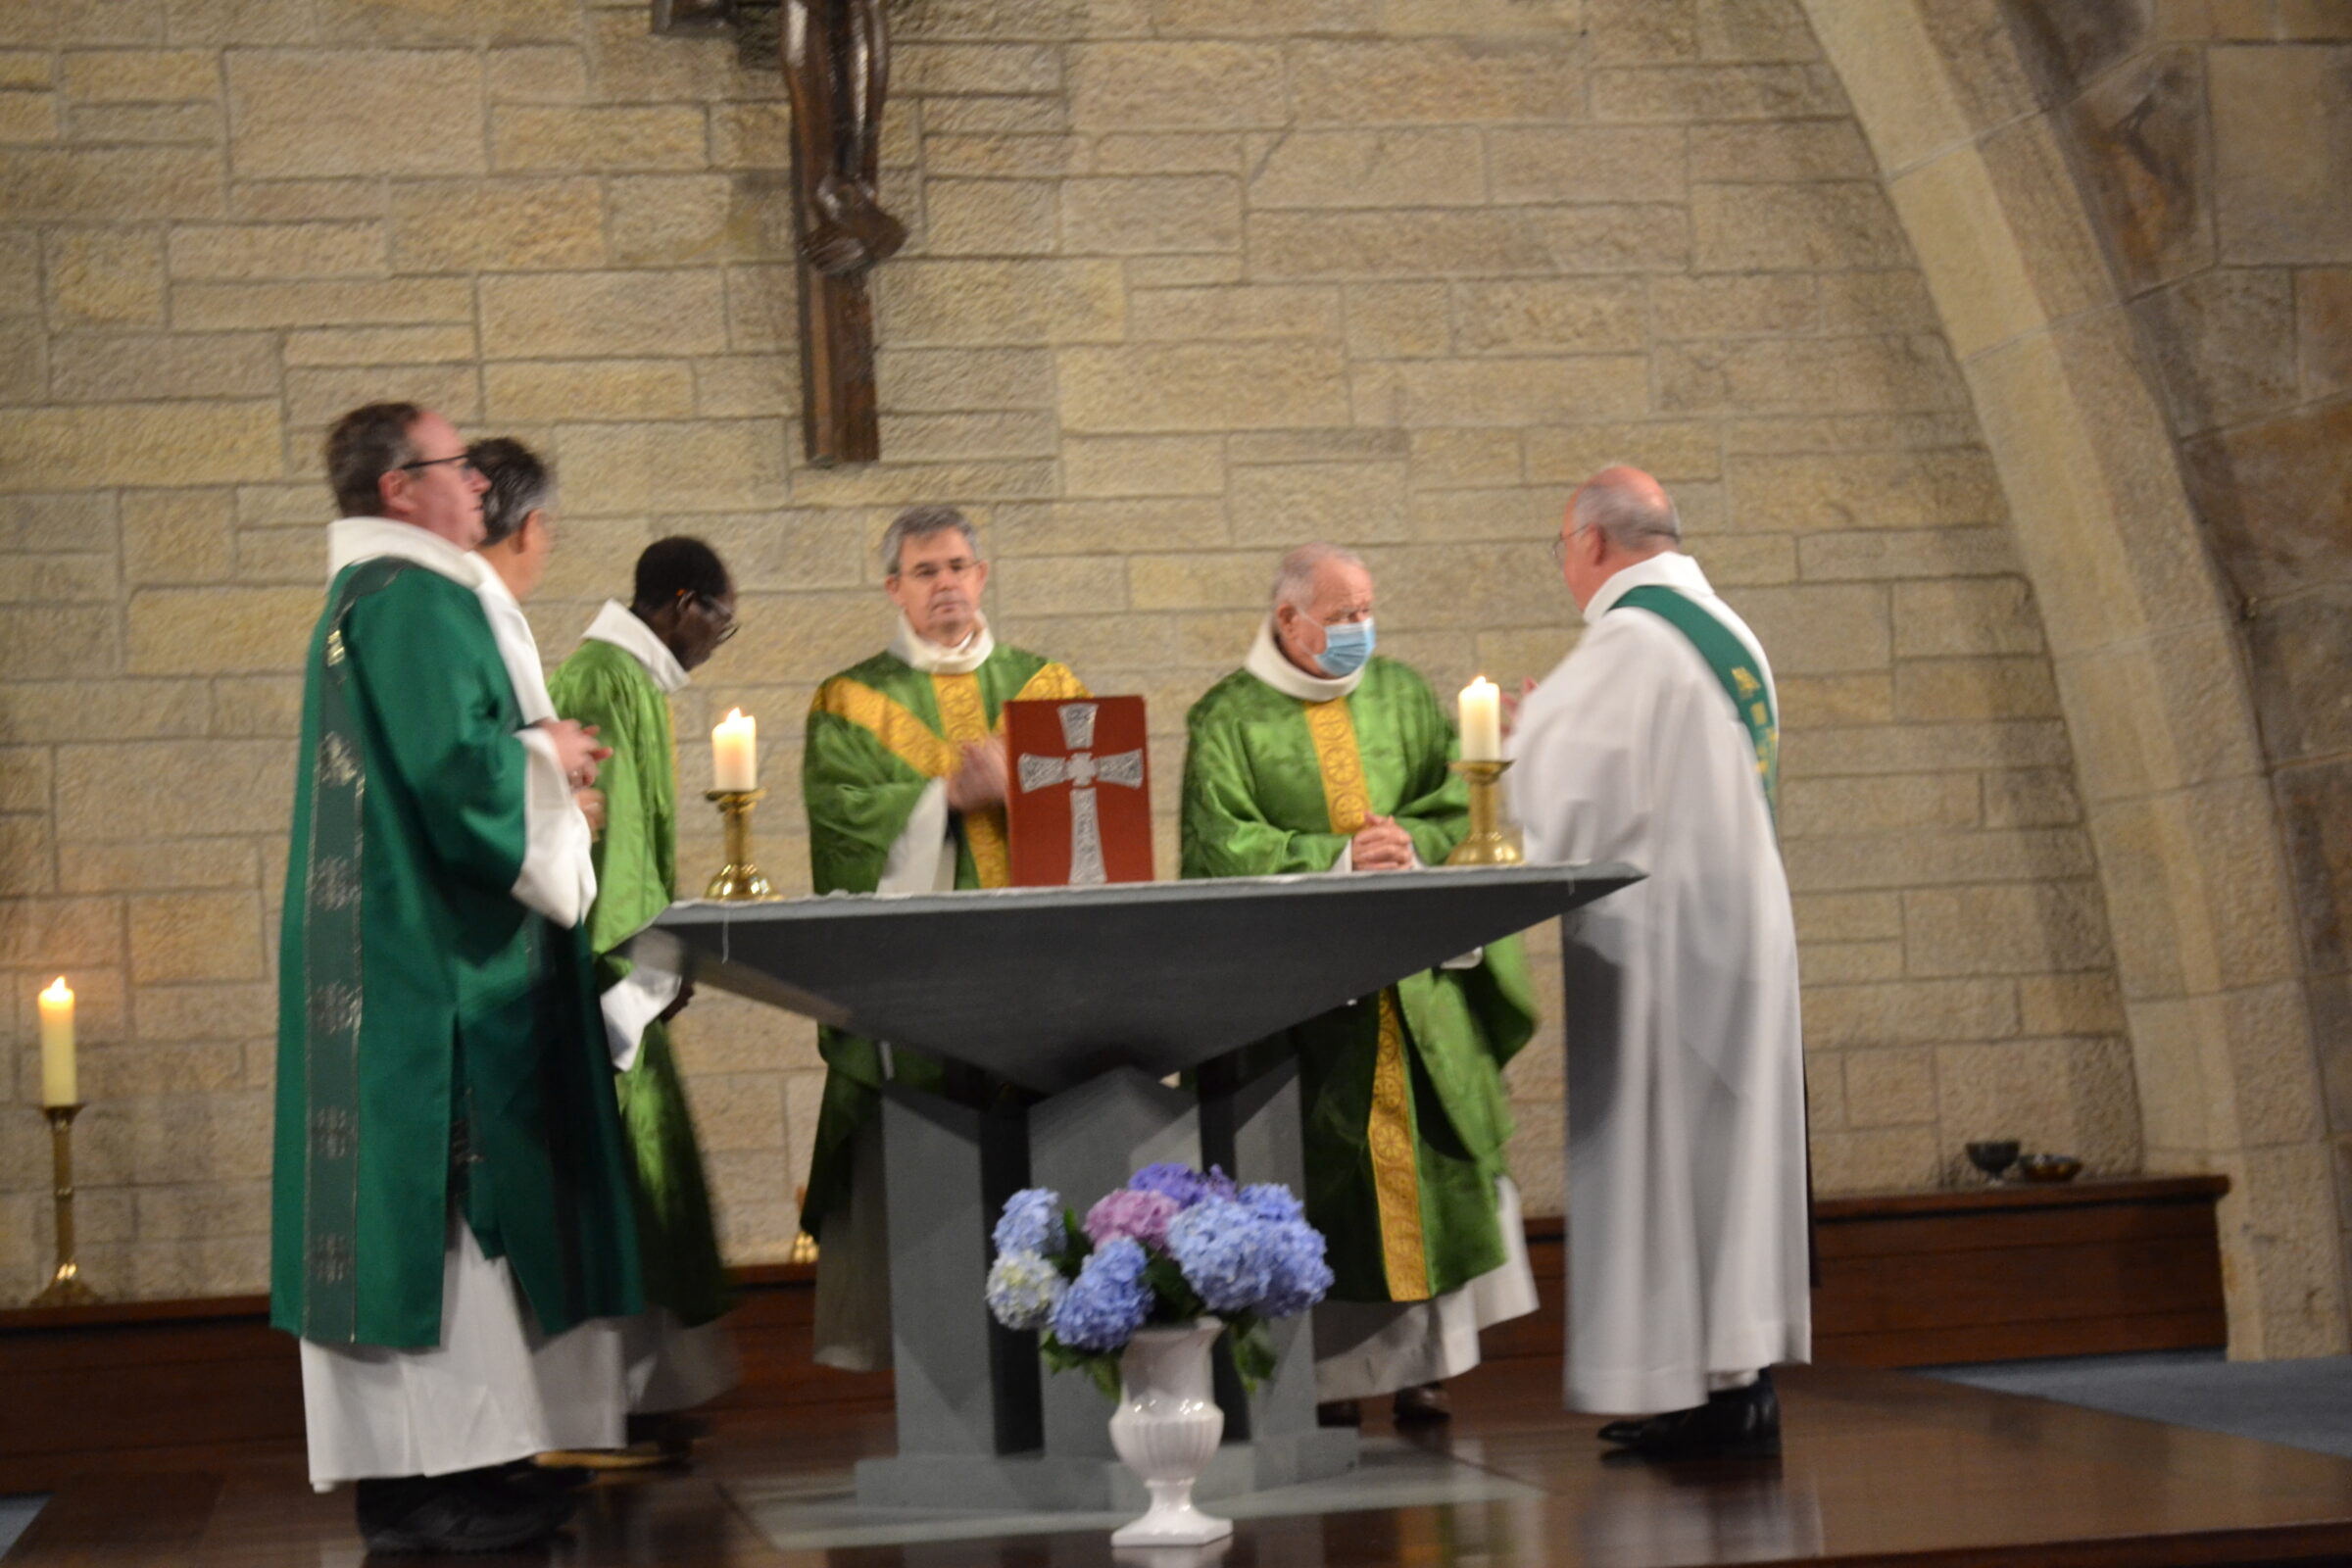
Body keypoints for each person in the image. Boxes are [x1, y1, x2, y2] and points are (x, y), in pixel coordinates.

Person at [272, 404, 639, 1553]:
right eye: (455, 465)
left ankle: (478, 1462)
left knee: (447, 1241)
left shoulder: (384, 596)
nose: (479, 483)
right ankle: (428, 1483)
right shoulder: (419, 601)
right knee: (435, 1230)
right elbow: (455, 773)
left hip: (403, 949)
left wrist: (536, 766)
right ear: (398, 487)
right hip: (430, 970)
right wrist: (554, 769)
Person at [1180, 543, 1540, 1428]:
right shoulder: (1227, 718)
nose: (1359, 631)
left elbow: (1458, 802)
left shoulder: (1406, 696)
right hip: (1304, 1015)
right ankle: (1329, 1384)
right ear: (1287, 620)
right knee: (1319, 1180)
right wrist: (1337, 857)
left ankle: (1427, 1367)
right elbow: (1216, 848)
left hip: (1412, 994)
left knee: (1432, 1170)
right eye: (1341, 616)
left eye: (1367, 609)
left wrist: (1406, 842)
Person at [1507, 465, 1810, 1459]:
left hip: (1671, 947)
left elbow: (1564, 798)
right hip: (1737, 929)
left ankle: (1717, 1395)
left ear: (1594, 543)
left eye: (1562, 549)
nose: (1566, 568)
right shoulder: (1730, 635)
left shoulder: (1635, 639)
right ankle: (1724, 1384)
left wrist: (1520, 738)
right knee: (1720, 1170)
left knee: (1671, 1165)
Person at [799, 505, 1086, 1370]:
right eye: (925, 572)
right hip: (923, 990)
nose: (947, 585)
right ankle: (946, 1367)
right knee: (934, 1181)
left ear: (983, 577)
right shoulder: (849, 701)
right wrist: (942, 801)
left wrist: (1025, 788)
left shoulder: (1052, 687)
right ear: (894, 588)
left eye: (959, 566)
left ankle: (1067, 1350)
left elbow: (1099, 819)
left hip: (1040, 979)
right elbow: (842, 830)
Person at [549, 536, 744, 1443]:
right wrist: (639, 969)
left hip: (631, 962)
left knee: (656, 1185)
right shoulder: (603, 679)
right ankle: (616, 1407)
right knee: (633, 1181)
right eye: (719, 622)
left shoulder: (630, 677)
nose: (714, 642)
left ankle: (648, 1402)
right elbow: (612, 839)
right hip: (606, 972)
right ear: (680, 602)